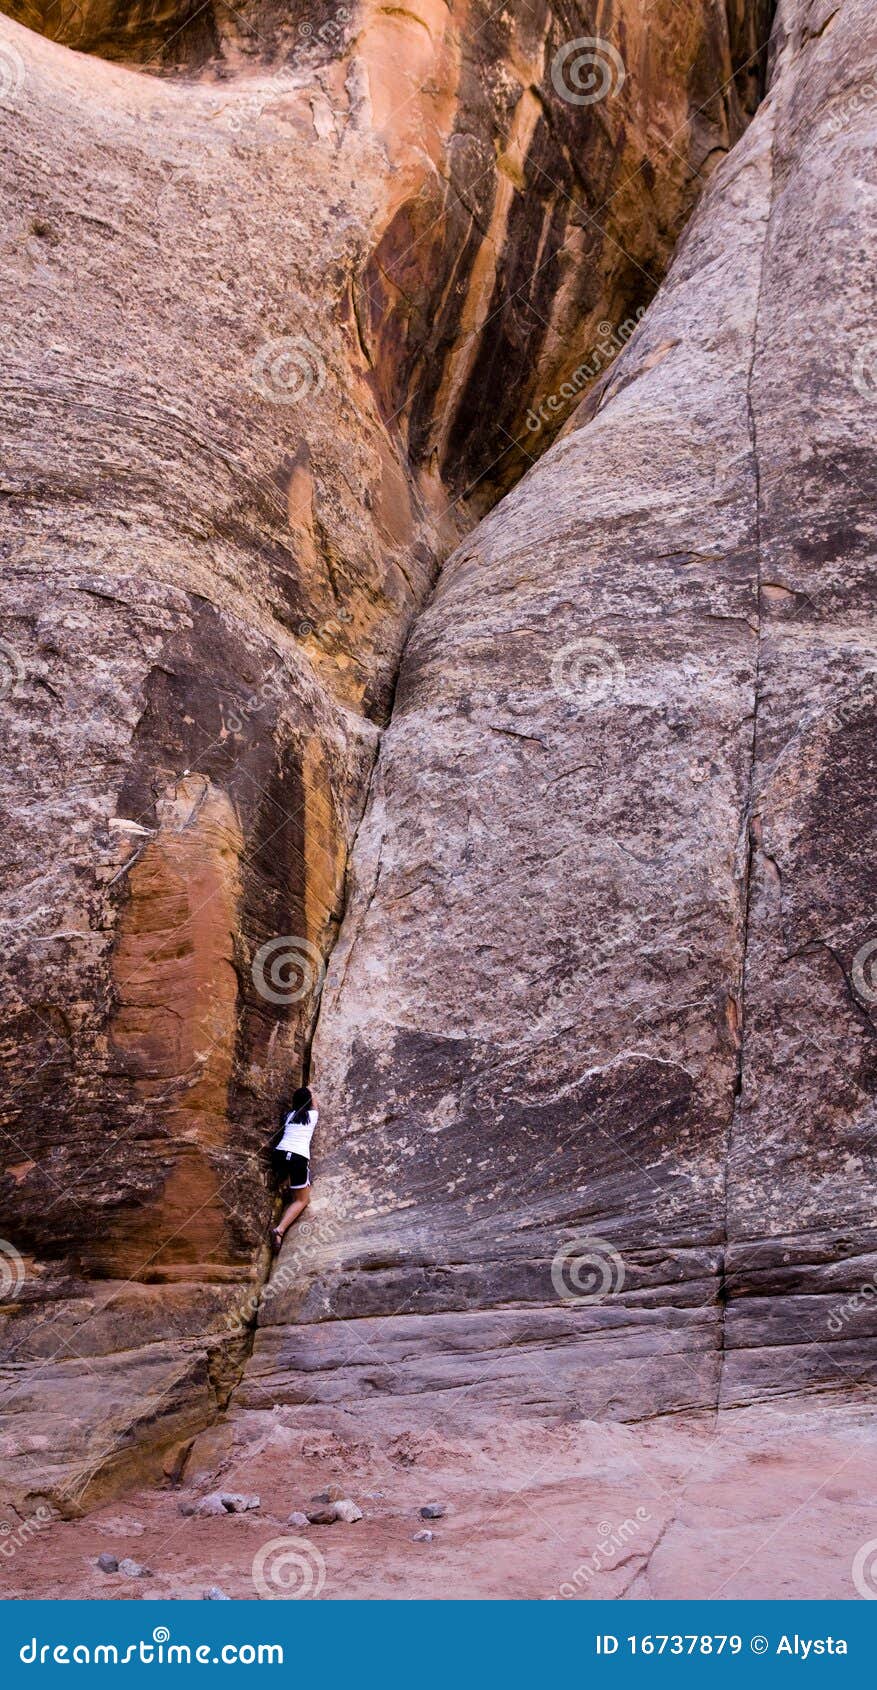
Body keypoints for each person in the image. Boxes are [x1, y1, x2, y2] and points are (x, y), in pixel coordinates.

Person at [269, 1085, 318, 1252]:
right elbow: (314, 1104)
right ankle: (279, 1230)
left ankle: (286, 1181)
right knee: (303, 1200)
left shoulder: (288, 1116)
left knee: (298, 1181)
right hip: (298, 1158)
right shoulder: (313, 1115)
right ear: (309, 1101)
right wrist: (311, 1090)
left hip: (279, 1156)